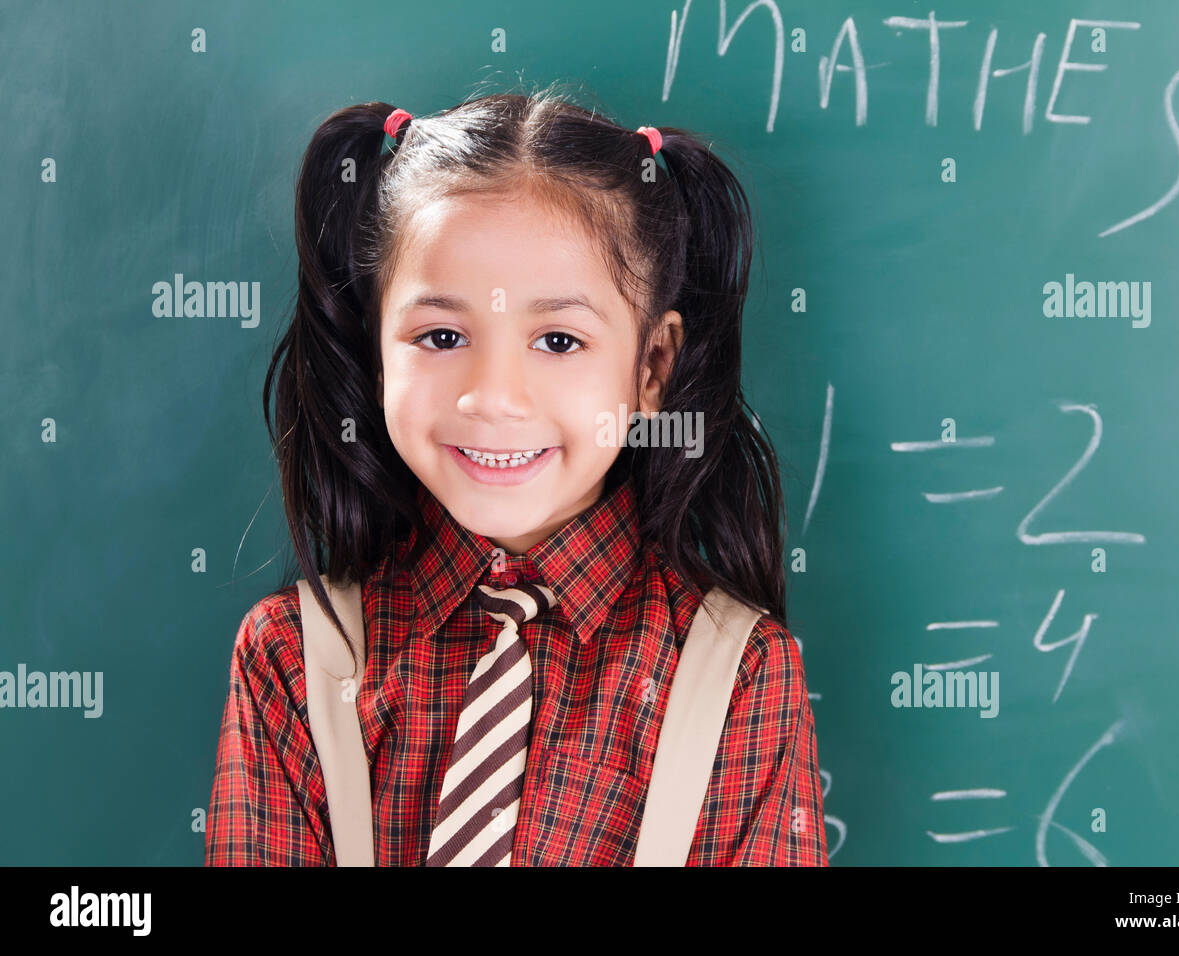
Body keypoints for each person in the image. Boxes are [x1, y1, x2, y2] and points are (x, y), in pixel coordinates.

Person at [204, 83, 827, 866]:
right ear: (375, 351)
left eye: (559, 341)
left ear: (652, 367)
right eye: (440, 335)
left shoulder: (739, 676)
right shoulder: (295, 657)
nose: (492, 397)